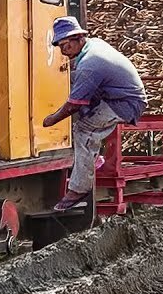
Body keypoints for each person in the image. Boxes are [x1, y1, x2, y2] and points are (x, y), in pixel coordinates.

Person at [41, 17, 147, 211]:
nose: (63, 51)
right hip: (114, 95)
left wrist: (50, 120)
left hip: (126, 103)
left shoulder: (91, 63)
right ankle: (92, 158)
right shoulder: (94, 45)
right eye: (60, 47)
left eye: (66, 45)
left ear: (79, 38)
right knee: (70, 78)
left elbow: (73, 104)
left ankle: (79, 189)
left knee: (83, 129)